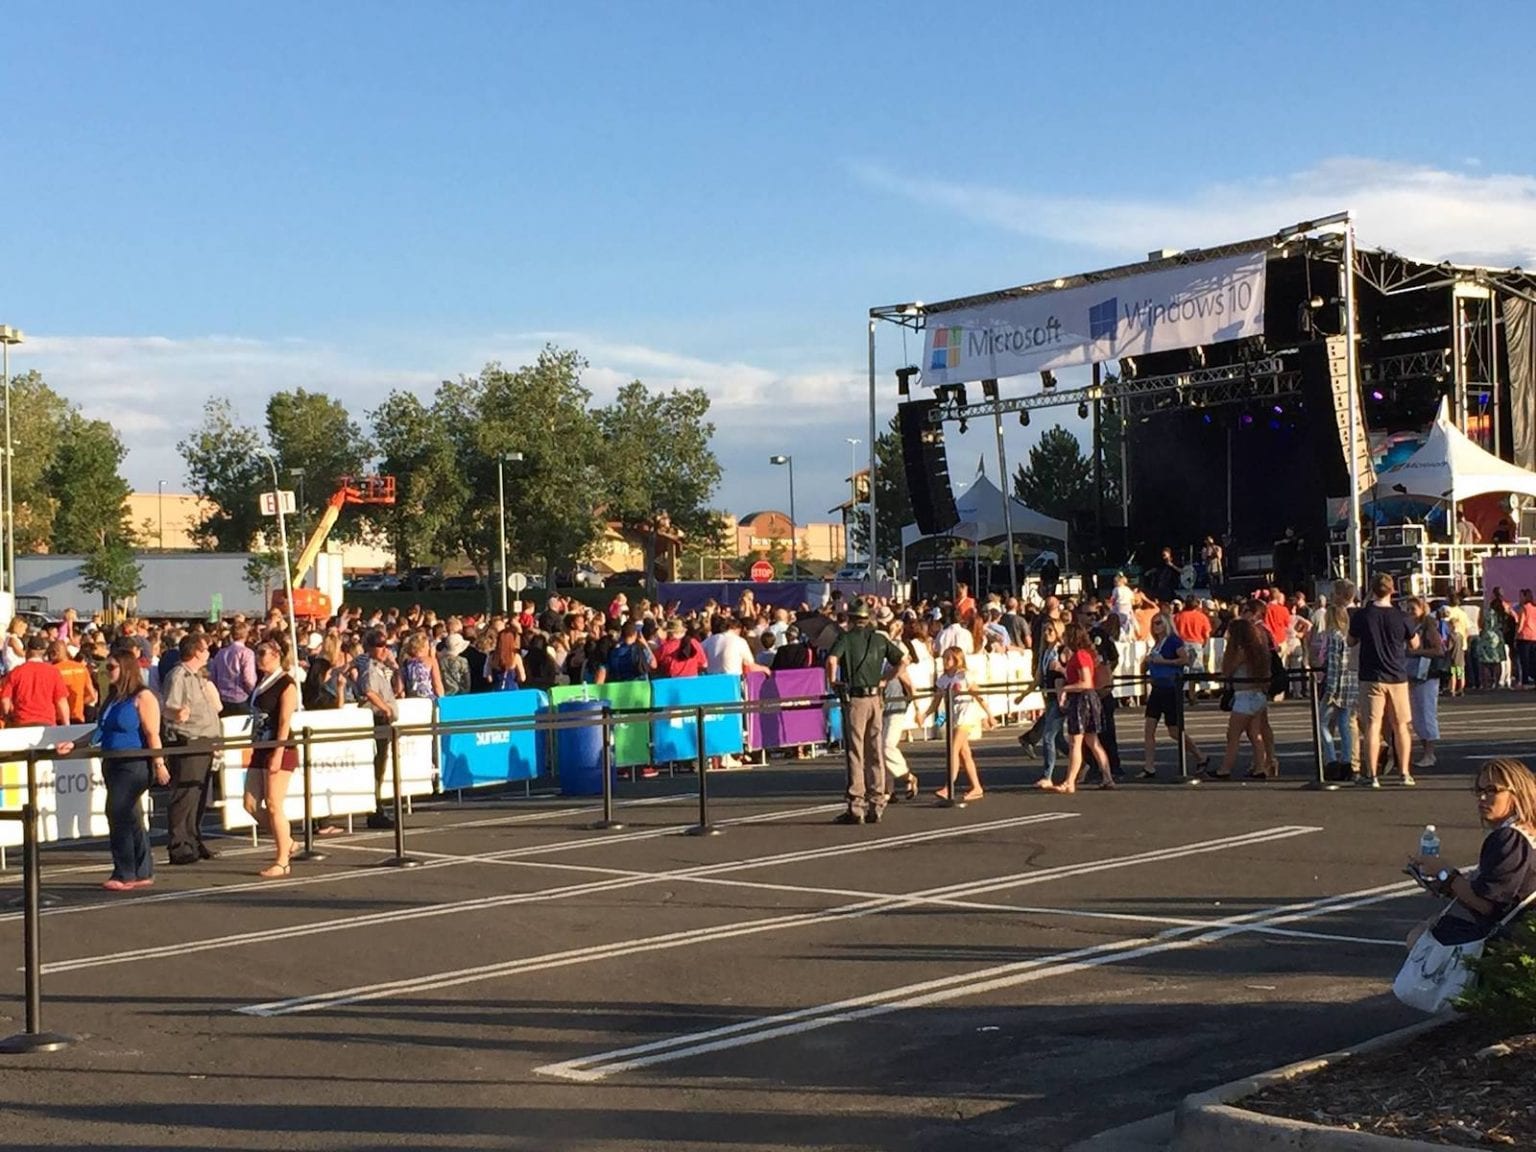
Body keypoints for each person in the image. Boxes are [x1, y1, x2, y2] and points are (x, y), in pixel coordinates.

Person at [58, 642, 169, 891]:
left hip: (134, 763)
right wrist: (74, 744)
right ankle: (142, 870)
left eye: (112, 667)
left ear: (126, 668)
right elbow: (100, 730)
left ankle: (124, 872)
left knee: (116, 812)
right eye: (106, 667)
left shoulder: (143, 696)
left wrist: (159, 763)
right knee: (131, 816)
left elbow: (153, 733)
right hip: (112, 761)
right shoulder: (113, 698)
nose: (108, 672)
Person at [1408, 758, 1536, 947]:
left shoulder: (1509, 838)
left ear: (1517, 793)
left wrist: (1445, 875)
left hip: (1512, 942)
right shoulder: (1526, 831)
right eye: (1479, 791)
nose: (1482, 798)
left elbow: (1489, 907)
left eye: (1492, 790)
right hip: (1523, 933)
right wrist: (1446, 886)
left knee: (1419, 939)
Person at [825, 601, 909, 825]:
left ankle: (856, 805)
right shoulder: (880, 638)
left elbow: (831, 660)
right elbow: (903, 661)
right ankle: (877, 802)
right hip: (876, 698)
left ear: (852, 619)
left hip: (856, 698)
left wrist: (833, 681)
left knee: (856, 751)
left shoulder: (845, 638)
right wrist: (885, 679)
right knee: (875, 750)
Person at [1350, 573, 1421, 788]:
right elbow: (1415, 644)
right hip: (1397, 675)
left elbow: (1351, 640)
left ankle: (1371, 774)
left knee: (1373, 725)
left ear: (1372, 590)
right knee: (1400, 725)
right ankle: (1405, 772)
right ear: (1392, 591)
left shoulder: (1362, 615)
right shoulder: (1401, 617)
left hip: (1371, 676)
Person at [160, 633, 222, 865]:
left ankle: (194, 840)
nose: (208, 653)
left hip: (205, 738)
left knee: (198, 794)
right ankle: (179, 845)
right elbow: (168, 707)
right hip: (188, 739)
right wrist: (178, 714)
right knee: (184, 794)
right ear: (196, 651)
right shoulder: (179, 675)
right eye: (206, 649)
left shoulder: (198, 676)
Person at [242, 640, 299, 878]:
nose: (258, 656)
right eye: (257, 651)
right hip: (260, 745)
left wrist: (278, 752)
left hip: (280, 747)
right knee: (250, 803)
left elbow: (284, 722)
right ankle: (288, 841)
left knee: (274, 803)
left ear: (277, 655)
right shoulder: (261, 682)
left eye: (263, 652)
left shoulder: (286, 683)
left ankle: (282, 859)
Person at [1041, 621, 1113, 793]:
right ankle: (1107, 777)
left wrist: (1066, 688)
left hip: (1082, 700)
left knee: (1076, 742)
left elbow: (1085, 682)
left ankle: (1069, 782)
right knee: (1092, 741)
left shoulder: (1080, 656)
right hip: (1086, 699)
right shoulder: (1080, 655)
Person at [920, 645, 992, 802]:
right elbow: (936, 702)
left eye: (949, 658)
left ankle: (948, 787)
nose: (945, 661)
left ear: (957, 659)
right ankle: (976, 787)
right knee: (964, 753)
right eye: (944, 658)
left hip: (966, 716)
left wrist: (989, 714)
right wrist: (924, 715)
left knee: (953, 749)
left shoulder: (965, 676)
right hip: (954, 717)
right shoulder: (943, 679)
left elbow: (977, 695)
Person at [1140, 614, 1205, 779]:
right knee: (1149, 727)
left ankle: (1199, 755)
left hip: (1170, 688)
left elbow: (1184, 660)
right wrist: (1148, 662)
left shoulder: (1173, 641)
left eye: (1159, 623)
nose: (1155, 626)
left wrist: (1163, 662)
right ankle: (1149, 767)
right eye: (1153, 623)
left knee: (1174, 730)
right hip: (1157, 688)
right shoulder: (1157, 643)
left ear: (1167, 624)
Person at [1209, 617, 1273, 780]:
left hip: (1244, 696)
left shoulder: (1240, 651)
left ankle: (1225, 768)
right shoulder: (1258, 649)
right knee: (1254, 733)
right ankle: (1260, 767)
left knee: (1233, 735)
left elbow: (1228, 670)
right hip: (1258, 694)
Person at [1405, 597, 1444, 772]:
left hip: (1427, 674)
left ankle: (1430, 752)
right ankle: (1425, 751)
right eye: (1408, 609)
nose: (1410, 612)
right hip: (1413, 674)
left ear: (1422, 609)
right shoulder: (1411, 627)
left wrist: (1416, 651)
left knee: (1426, 712)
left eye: (1413, 609)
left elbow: (1438, 650)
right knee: (1416, 715)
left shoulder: (1428, 626)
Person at [1320, 603, 1357, 779]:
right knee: (1344, 725)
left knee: (1323, 723)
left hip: (1337, 684)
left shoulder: (1334, 636)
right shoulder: (1349, 636)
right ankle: (1347, 762)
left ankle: (1332, 761)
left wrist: (1330, 690)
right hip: (1350, 684)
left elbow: (1334, 664)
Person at [0, 633, 70, 726]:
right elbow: (61, 701)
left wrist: (7, 717)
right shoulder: (53, 672)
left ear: (27, 651)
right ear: (43, 652)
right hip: (46, 724)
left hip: (21, 723)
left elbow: (5, 701)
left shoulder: (16, 672)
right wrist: (66, 724)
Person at [209, 622, 258, 716]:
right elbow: (249, 678)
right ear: (246, 635)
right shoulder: (247, 653)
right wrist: (252, 692)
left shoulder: (220, 653)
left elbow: (213, 676)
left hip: (222, 698)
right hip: (240, 698)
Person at [51, 639, 98, 723]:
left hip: (59, 718)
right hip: (78, 716)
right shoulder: (81, 668)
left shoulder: (53, 670)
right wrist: (79, 702)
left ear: (54, 653)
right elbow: (92, 696)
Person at [1516, 590, 1536, 688]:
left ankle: (1525, 681)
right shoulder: (1534, 608)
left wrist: (1516, 635)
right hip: (1534, 636)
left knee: (1524, 661)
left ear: (1525, 597)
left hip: (1524, 636)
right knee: (1533, 660)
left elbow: (1521, 623)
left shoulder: (1524, 608)